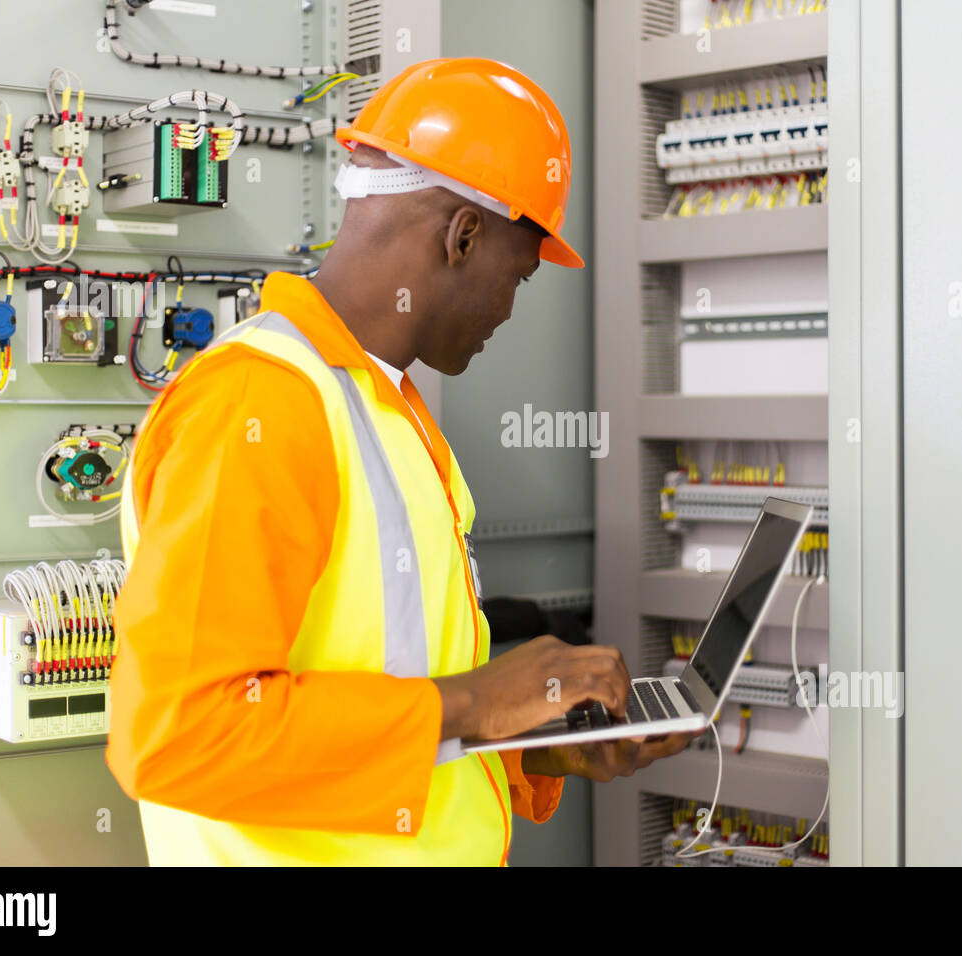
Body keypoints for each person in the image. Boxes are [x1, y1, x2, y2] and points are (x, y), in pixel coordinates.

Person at [106, 57, 693, 866]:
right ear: (463, 235)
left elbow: (393, 698)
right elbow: (180, 736)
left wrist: (533, 740)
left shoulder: (383, 409)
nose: (508, 310)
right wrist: (478, 701)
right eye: (517, 277)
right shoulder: (261, 406)